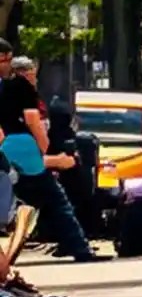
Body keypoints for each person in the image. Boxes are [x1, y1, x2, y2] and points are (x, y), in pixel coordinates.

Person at [3, 57, 107, 262]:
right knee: (57, 201)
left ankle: (73, 245)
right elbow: (33, 122)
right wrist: (46, 152)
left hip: (16, 155)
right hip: (24, 154)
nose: (34, 81)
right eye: (31, 75)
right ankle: (80, 249)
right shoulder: (21, 91)